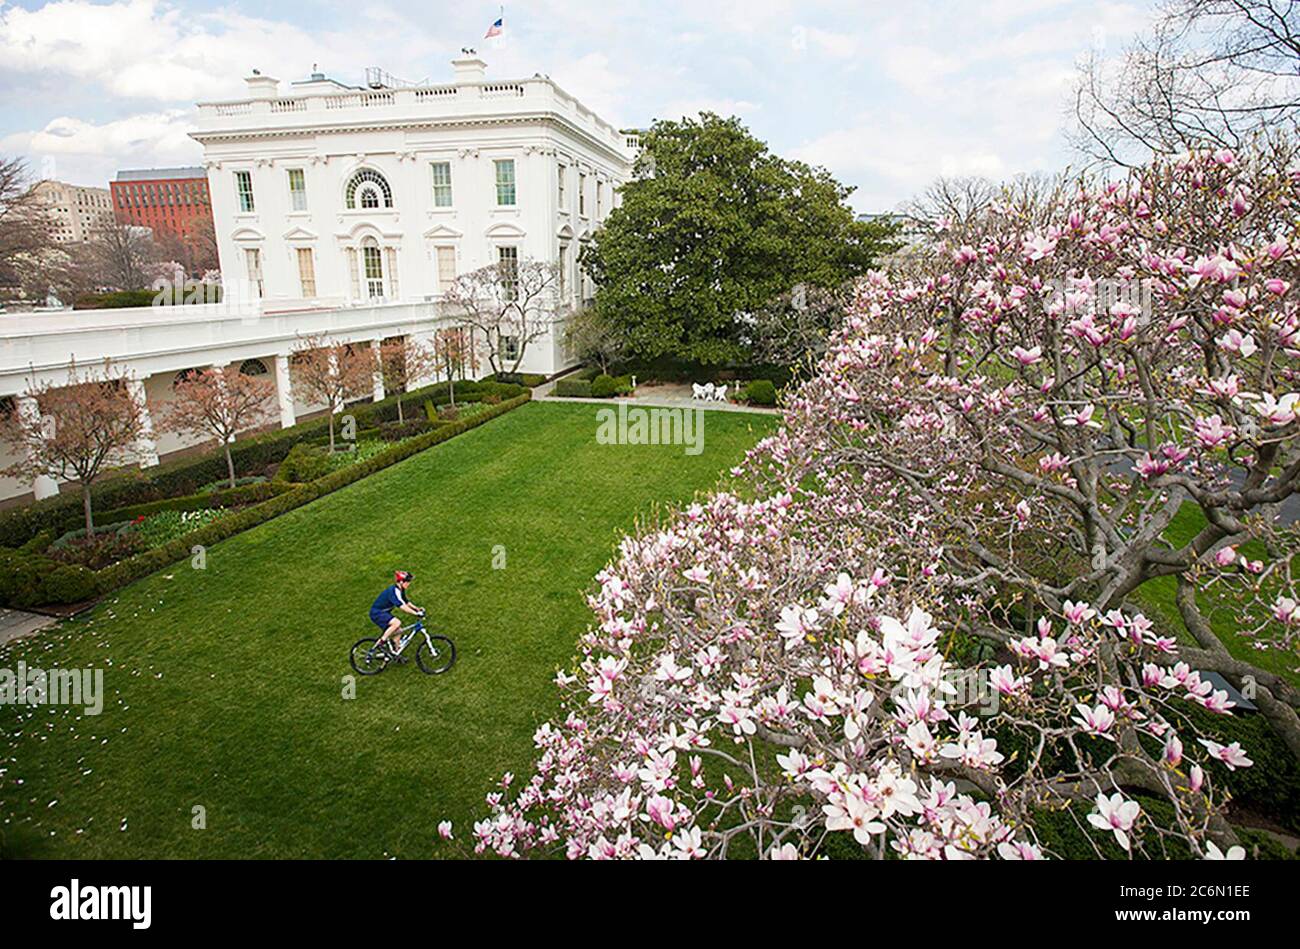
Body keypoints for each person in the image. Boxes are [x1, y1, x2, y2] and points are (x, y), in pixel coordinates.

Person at [370, 570, 424, 660]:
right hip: (377, 613)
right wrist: (416, 614)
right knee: (397, 623)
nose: (409, 584)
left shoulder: (400, 590)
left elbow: (406, 602)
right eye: (408, 582)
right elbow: (402, 606)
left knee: (399, 631)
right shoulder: (394, 591)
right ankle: (381, 642)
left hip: (383, 612)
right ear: (401, 582)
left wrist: (417, 608)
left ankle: (396, 652)